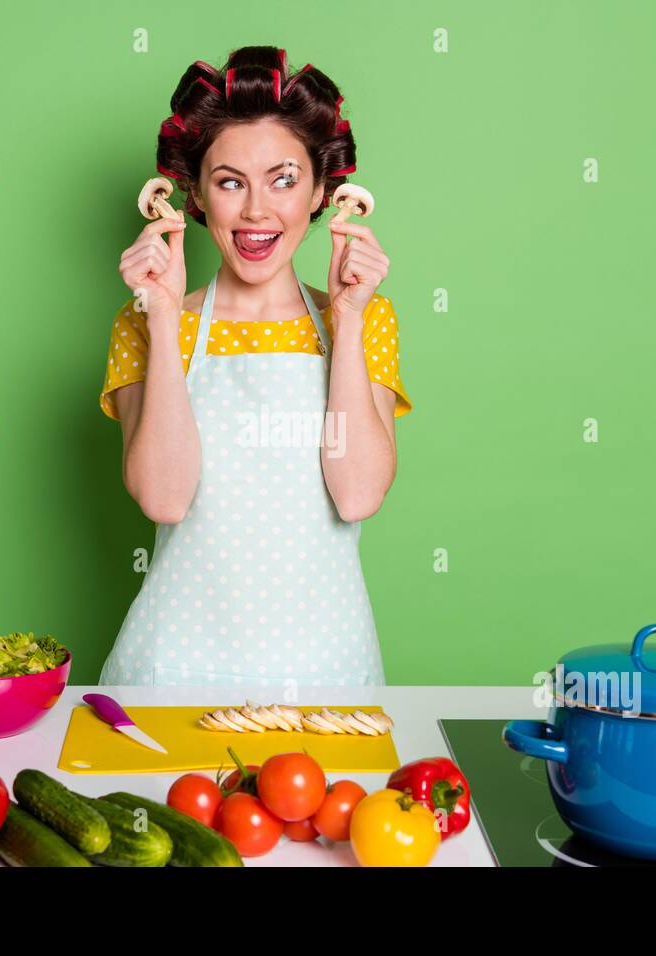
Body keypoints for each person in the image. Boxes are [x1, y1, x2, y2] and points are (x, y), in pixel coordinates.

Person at [98, 46, 412, 688]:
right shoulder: (145, 324)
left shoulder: (365, 322)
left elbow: (357, 495)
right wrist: (161, 315)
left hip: (326, 672)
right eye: (230, 181)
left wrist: (348, 320)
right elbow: (164, 497)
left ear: (323, 191)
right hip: (172, 672)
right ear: (196, 196)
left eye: (283, 179)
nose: (256, 212)